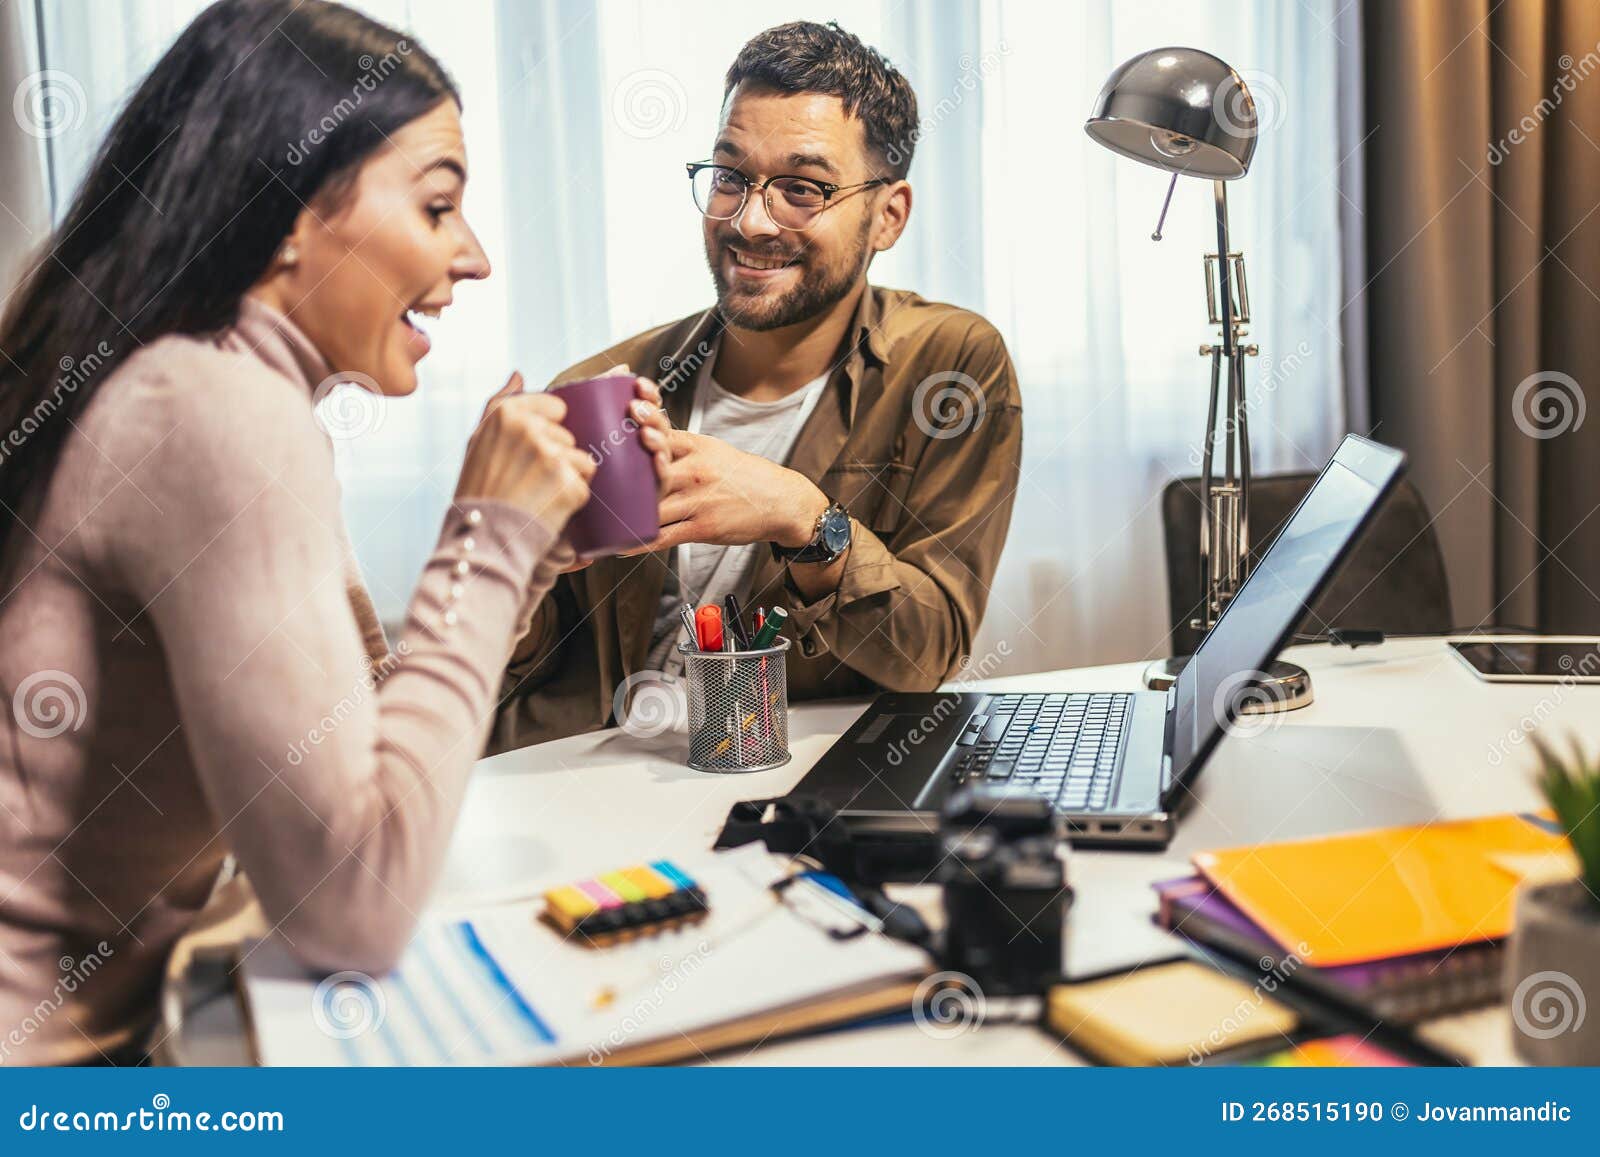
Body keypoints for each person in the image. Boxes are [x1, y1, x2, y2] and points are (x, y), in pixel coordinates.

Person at [0, 0, 665, 1065]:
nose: (476, 256)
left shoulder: (190, 385)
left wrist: (524, 557)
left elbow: (347, 758)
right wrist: (483, 540)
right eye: (439, 205)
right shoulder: (216, 412)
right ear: (294, 211)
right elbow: (351, 896)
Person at [495, 22, 1023, 750]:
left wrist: (804, 516)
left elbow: (928, 651)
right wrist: (500, 557)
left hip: (789, 785)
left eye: (802, 189)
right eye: (730, 177)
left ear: (888, 215)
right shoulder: (597, 390)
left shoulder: (950, 368)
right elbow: (518, 670)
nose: (749, 219)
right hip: (587, 781)